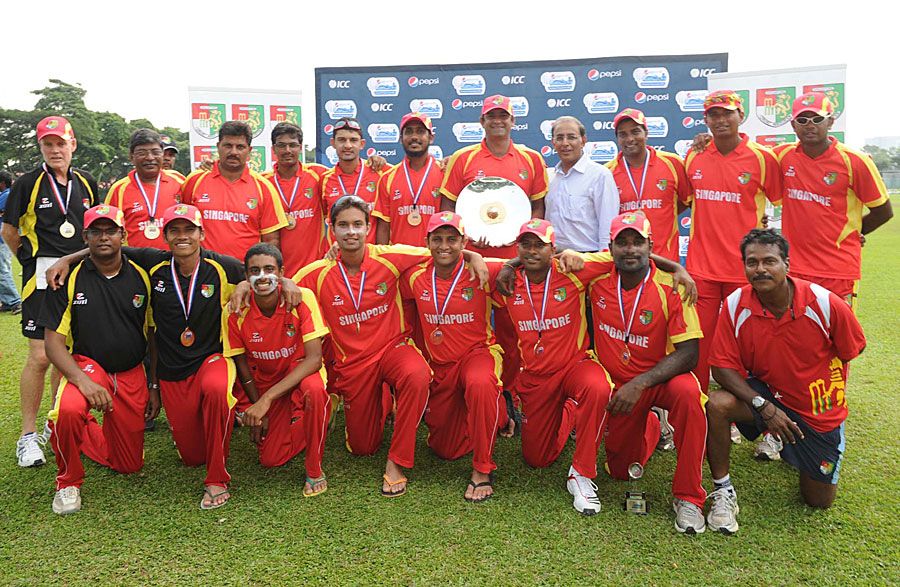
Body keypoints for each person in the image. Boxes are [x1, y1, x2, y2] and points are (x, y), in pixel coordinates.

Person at [293, 195, 488, 497]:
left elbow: (440, 251)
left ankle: (397, 462)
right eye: (343, 225)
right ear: (332, 229)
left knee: (417, 374)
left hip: (392, 350)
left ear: (369, 227)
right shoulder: (318, 272)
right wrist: (247, 285)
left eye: (358, 224)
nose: (351, 232)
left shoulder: (390, 256)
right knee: (362, 447)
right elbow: (286, 286)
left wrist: (473, 256)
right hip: (354, 365)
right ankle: (382, 402)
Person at [705, 229, 866, 534]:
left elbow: (852, 349)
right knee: (717, 404)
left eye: (769, 261)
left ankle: (799, 441)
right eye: (752, 262)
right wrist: (762, 405)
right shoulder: (735, 304)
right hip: (766, 395)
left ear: (787, 264)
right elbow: (721, 369)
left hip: (815, 409)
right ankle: (723, 489)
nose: (760, 269)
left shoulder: (825, 304)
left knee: (818, 501)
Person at [588, 211, 707, 534]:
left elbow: (690, 354)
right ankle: (653, 426)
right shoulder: (596, 281)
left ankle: (689, 497)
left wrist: (640, 384)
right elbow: (550, 260)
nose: (630, 250)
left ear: (650, 245)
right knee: (620, 471)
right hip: (618, 385)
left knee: (689, 393)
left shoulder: (673, 286)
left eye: (638, 242)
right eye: (622, 243)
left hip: (658, 380)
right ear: (609, 248)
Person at [493, 219, 614, 515]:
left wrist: (676, 269)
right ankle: (570, 412)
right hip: (535, 378)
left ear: (553, 248)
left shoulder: (573, 270)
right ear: (517, 247)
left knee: (598, 387)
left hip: (574, 365)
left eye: (540, 246)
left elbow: (624, 255)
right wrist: (509, 264)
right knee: (537, 459)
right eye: (526, 245)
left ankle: (582, 473)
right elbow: (460, 257)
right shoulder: (507, 278)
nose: (532, 251)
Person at [41, 204, 155, 514]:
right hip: (89, 367)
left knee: (129, 465)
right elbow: (53, 345)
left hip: (131, 372)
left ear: (123, 234)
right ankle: (68, 482)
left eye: (110, 231)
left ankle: (80, 429)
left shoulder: (144, 274)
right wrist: (84, 382)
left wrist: (153, 385)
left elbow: (153, 335)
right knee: (68, 409)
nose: (103, 237)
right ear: (85, 236)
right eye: (96, 231)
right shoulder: (67, 279)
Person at [439, 94, 549, 415]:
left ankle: (510, 395)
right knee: (466, 331)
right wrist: (460, 240)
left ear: (513, 121)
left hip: (513, 263)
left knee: (512, 331)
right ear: (482, 122)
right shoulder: (463, 158)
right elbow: (448, 207)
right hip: (471, 262)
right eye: (491, 116)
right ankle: (467, 392)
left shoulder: (530, 160)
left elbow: (538, 205)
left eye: (504, 116)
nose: (498, 121)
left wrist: (528, 246)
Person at [2, 116, 99, 467]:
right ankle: (27, 437)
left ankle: (54, 422)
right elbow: (10, 231)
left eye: (61, 143)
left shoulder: (87, 182)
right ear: (41, 147)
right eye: (48, 144)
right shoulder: (27, 183)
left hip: (79, 275)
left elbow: (94, 228)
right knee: (41, 356)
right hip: (42, 276)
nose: (55, 150)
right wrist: (31, 262)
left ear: (73, 144)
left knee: (67, 352)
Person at [400, 211, 505, 502]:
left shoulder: (484, 271)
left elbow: (528, 263)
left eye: (452, 239)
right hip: (440, 366)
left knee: (481, 383)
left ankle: (482, 469)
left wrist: (477, 257)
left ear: (464, 242)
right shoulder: (415, 277)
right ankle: (497, 416)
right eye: (437, 239)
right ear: (427, 242)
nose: (444, 246)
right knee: (445, 450)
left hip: (478, 354)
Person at [683, 90, 782, 392]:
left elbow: (784, 203)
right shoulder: (694, 155)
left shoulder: (764, 159)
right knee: (698, 346)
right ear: (706, 119)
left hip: (748, 271)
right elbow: (686, 200)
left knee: (749, 346)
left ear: (741, 115)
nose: (721, 119)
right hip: (702, 271)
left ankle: (747, 411)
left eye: (727, 112)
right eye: (714, 114)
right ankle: (698, 409)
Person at [226, 243, 331, 497]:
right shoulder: (235, 310)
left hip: (300, 376)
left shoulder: (301, 298)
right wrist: (258, 409)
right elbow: (243, 367)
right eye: (255, 271)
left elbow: (314, 359)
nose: (262, 277)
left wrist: (266, 400)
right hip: (266, 384)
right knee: (271, 459)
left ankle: (314, 468)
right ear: (246, 276)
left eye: (269, 269)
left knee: (315, 390)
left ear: (282, 272)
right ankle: (310, 421)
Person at [180, 121, 288, 259]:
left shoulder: (264, 187)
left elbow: (271, 240)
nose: (233, 152)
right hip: (203, 271)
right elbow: (182, 227)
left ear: (249, 150)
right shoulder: (195, 180)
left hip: (243, 274)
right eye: (228, 146)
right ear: (218, 147)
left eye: (240, 147)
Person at [607, 108, 690, 261]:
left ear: (646, 133)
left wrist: (663, 211)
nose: (629, 138)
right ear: (617, 138)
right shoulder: (607, 173)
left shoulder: (673, 163)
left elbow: (686, 202)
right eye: (622, 134)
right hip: (627, 262)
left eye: (635, 132)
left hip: (666, 261)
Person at [545, 115, 619, 253]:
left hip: (588, 259)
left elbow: (608, 226)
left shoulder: (600, 175)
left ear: (583, 141)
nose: (565, 143)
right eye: (560, 138)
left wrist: (604, 260)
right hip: (554, 260)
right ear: (553, 143)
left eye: (571, 137)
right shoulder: (548, 177)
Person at [260, 122, 327, 277]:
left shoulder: (318, 175)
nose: (287, 150)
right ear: (274, 149)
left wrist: (375, 163)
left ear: (300, 147)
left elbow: (347, 174)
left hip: (314, 270)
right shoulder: (262, 182)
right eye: (282, 145)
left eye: (293, 145)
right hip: (277, 274)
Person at [106, 129, 184, 249]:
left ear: (162, 155)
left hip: (173, 262)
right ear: (131, 157)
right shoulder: (119, 189)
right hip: (134, 263)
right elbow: (108, 230)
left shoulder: (180, 181)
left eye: (155, 152)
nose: (150, 157)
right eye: (142, 153)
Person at [374, 113, 443, 246]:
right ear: (401, 138)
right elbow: (383, 227)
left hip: (436, 259)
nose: (414, 137)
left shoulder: (444, 173)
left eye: (420, 132)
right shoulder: (388, 178)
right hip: (400, 260)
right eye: (409, 132)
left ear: (431, 138)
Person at [320, 117, 387, 244]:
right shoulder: (324, 180)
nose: (347, 145)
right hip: (337, 258)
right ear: (333, 143)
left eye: (353, 140)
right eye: (341, 140)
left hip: (371, 257)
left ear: (362, 144)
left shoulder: (380, 172)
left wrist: (437, 164)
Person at [0, 170, 22, 313]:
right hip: (3, 238)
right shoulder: (6, 195)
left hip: (3, 239)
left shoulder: (7, 195)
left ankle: (15, 301)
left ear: (1, 183)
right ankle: (8, 301)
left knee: (2, 270)